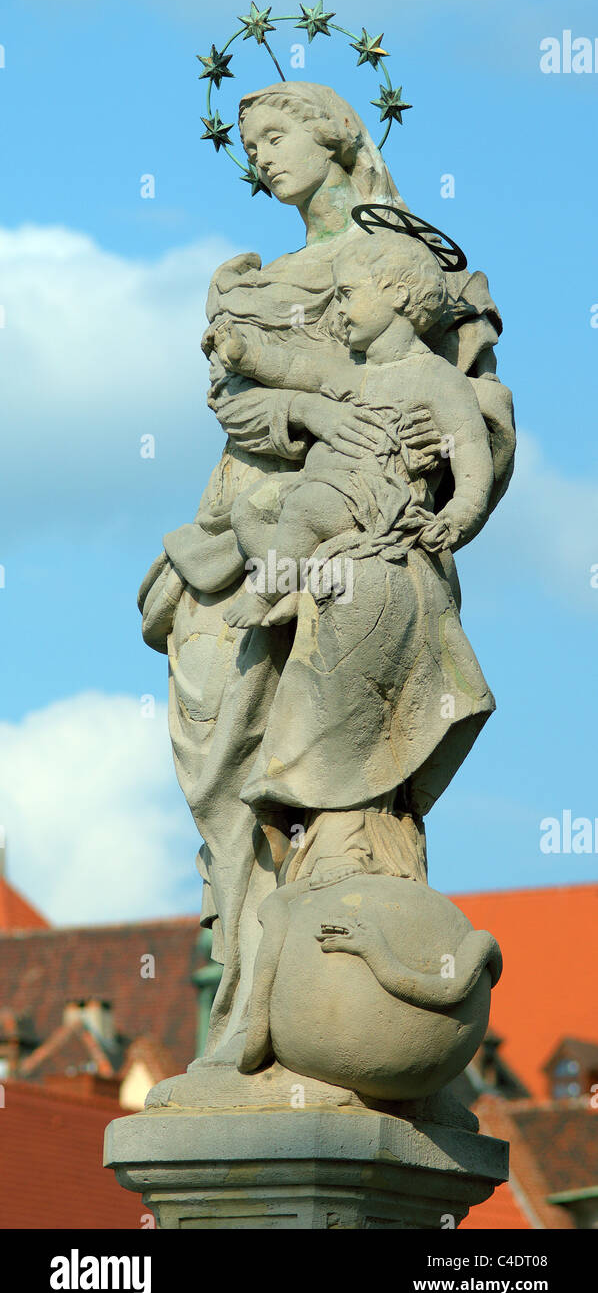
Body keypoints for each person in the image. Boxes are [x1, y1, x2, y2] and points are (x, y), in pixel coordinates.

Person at [139, 83, 513, 1060]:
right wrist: (308, 415)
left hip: (362, 546)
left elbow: (478, 414)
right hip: (247, 526)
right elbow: (242, 410)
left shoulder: (417, 263)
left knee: (327, 780)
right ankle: (243, 1000)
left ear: (336, 134)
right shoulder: (255, 284)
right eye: (249, 141)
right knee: (224, 775)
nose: (260, 156)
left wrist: (434, 483)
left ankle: (305, 998)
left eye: (276, 136)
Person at [217, 231, 494, 630]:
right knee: (249, 508)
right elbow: (295, 369)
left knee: (307, 507)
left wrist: (458, 516)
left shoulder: (436, 378)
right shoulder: (353, 369)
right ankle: (299, 580)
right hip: (323, 486)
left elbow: (469, 447)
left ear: (398, 295)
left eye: (346, 293)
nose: (339, 309)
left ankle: (265, 591)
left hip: (375, 498)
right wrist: (246, 354)